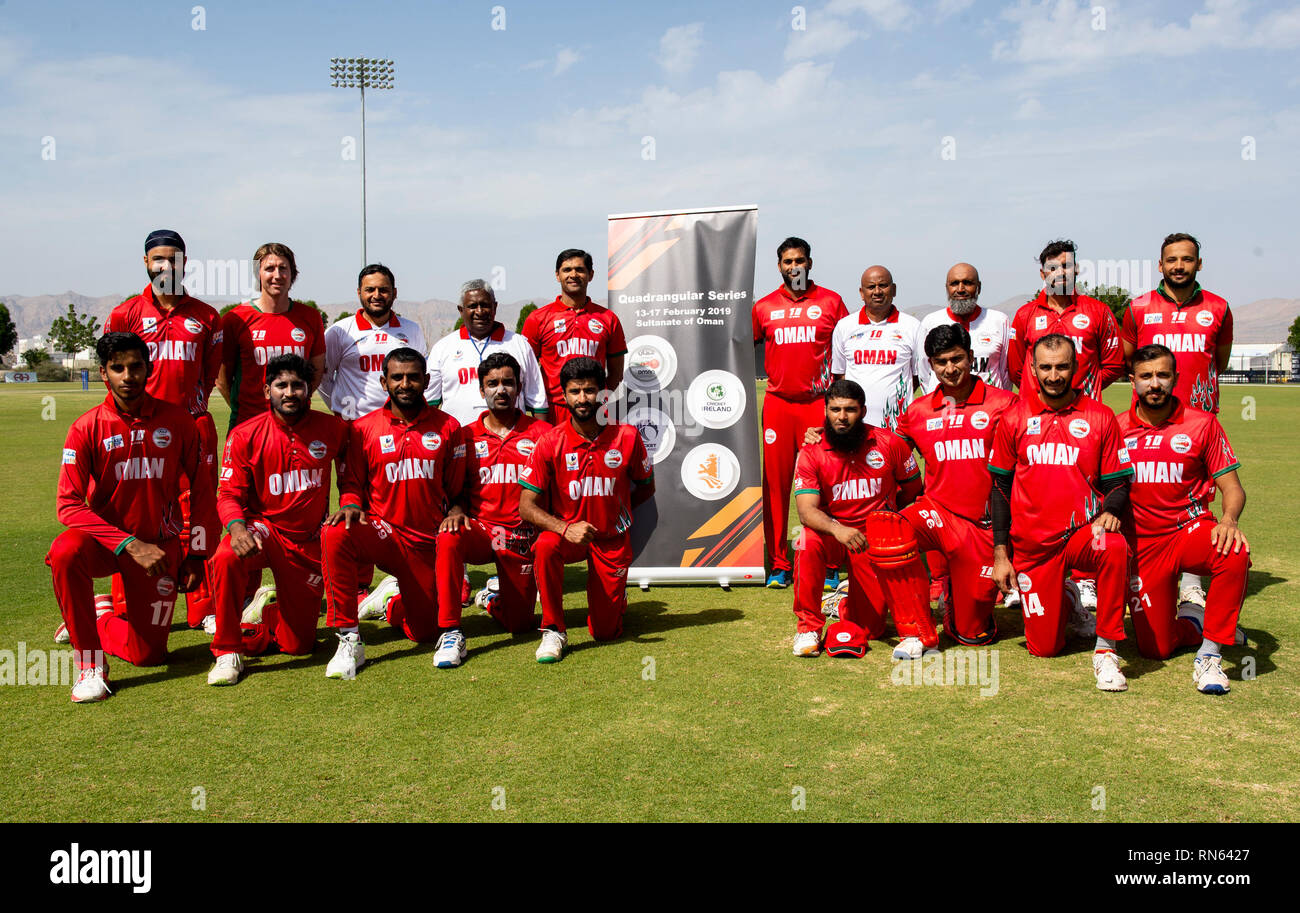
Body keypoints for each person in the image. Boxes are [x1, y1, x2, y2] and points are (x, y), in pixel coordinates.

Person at [48, 332, 215, 703]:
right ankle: (90, 662)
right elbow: (68, 505)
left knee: (149, 656)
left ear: (149, 369)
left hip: (158, 550)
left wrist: (197, 555)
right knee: (64, 552)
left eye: (136, 366)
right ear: (104, 374)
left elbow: (202, 491)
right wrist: (129, 543)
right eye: (117, 368)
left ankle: (98, 617)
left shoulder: (178, 422)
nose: (128, 376)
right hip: (105, 545)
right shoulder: (86, 427)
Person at [988, 335, 1134, 691]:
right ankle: (1068, 597)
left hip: (1082, 534)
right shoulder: (1013, 418)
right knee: (1044, 648)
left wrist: (1111, 510)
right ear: (1033, 370)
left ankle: (1106, 649)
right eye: (1046, 367)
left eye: (1062, 366)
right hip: (1035, 546)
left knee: (1112, 546)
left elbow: (1118, 481)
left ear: (1076, 367)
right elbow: (999, 490)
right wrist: (1001, 553)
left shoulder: (1100, 417)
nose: (1054, 375)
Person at [102, 229, 222, 632]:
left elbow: (210, 372)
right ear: (146, 263)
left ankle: (202, 606)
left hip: (191, 426)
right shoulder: (125, 313)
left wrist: (192, 411)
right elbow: (115, 372)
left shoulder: (206, 316)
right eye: (159, 259)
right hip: (141, 429)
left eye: (174, 258)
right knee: (137, 511)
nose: (166, 266)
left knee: (199, 509)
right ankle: (125, 602)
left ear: (185, 263)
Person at [321, 348, 467, 676]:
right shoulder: (362, 428)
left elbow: (457, 490)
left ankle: (391, 603)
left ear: (426, 381)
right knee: (336, 531)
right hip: (383, 533)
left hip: (425, 542)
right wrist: (350, 507)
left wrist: (456, 510)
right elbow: (351, 484)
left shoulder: (449, 427)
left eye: (413, 377)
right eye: (397, 377)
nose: (405, 384)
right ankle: (348, 637)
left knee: (425, 633)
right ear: (383, 381)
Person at [207, 354, 349, 685]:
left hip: (307, 541)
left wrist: (349, 501)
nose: (289, 393)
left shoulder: (332, 428)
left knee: (298, 646)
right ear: (266, 389)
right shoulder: (245, 434)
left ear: (309, 389)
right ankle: (227, 651)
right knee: (227, 554)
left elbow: (351, 474)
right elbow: (227, 494)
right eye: (281, 385)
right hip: (264, 532)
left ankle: (265, 613)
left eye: (297, 385)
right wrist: (237, 527)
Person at [1117, 344, 1249, 693]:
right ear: (1133, 381)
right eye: (1146, 376)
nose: (1154, 383)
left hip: (1189, 531)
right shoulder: (1115, 429)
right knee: (1154, 648)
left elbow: (1233, 489)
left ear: (1175, 378)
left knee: (1233, 552)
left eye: (1162, 375)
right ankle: (1196, 620)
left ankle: (1210, 655)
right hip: (1142, 545)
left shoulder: (1202, 424)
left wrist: (1229, 520)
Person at [1119, 233, 1235, 614]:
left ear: (1199, 264)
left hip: (1196, 420)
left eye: (1187, 259)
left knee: (1197, 494)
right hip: (1148, 419)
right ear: (1160, 265)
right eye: (1172, 260)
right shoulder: (1138, 308)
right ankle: (1142, 570)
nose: (1179, 266)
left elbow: (1220, 360)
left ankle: (1192, 583)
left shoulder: (1218, 308)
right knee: (1150, 489)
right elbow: (1128, 359)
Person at [518, 357, 654, 663]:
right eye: (575, 391)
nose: (583, 398)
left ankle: (615, 599)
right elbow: (526, 506)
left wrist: (617, 514)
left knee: (605, 633)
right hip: (568, 536)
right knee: (545, 545)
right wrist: (565, 528)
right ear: (563, 395)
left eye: (590, 390)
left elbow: (646, 487)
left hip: (610, 540)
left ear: (603, 393)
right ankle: (553, 629)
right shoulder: (549, 442)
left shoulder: (627, 437)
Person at [896, 324, 1018, 645]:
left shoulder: (1004, 404)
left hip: (984, 527)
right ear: (930, 365)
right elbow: (885, 450)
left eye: (957, 359)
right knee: (889, 533)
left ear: (971, 357)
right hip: (936, 515)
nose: (950, 369)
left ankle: (957, 597)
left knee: (972, 634)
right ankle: (918, 623)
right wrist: (826, 435)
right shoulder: (918, 411)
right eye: (941, 362)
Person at [790, 379, 930, 659]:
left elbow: (914, 488)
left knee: (871, 628)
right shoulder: (811, 450)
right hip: (831, 534)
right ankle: (808, 628)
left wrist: (887, 517)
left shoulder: (889, 443)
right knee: (804, 540)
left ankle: (843, 603)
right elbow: (806, 511)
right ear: (826, 411)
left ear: (863, 410)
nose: (842, 417)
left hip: (871, 540)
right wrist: (838, 529)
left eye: (850, 410)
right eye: (835, 409)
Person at [752, 237, 849, 588]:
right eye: (788, 261)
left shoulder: (831, 302)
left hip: (818, 404)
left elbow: (845, 351)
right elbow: (736, 347)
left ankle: (830, 563)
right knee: (775, 485)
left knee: (826, 482)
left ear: (810, 264)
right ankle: (779, 563)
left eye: (800, 261)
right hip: (778, 405)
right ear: (779, 266)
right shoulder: (763, 307)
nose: (794, 267)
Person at [436, 352, 551, 635]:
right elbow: (455, 488)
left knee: (520, 624)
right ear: (481, 389)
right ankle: (450, 630)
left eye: (508, 383)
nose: (501, 390)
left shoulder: (543, 433)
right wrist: (456, 510)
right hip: (483, 532)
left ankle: (490, 599)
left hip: (523, 537)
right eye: (493, 383)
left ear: (519, 388)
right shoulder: (465, 436)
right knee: (449, 535)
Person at [217, 242, 327, 430]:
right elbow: (222, 380)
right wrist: (248, 409)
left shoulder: (310, 317)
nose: (277, 275)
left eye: (283, 268)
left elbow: (315, 373)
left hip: (297, 424)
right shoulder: (235, 320)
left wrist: (291, 405)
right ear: (258, 273)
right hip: (248, 424)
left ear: (293, 274)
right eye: (269, 268)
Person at [1007, 239, 1125, 399]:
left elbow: (1114, 365)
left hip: (1083, 411)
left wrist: (1083, 390)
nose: (1060, 272)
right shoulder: (1025, 314)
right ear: (1043, 274)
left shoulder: (1099, 311)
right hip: (1037, 412)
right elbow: (1016, 370)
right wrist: (1046, 393)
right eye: (1053, 268)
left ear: (1076, 270)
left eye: (1066, 266)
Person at [521, 250, 626, 418]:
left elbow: (616, 373)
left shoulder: (608, 319)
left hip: (593, 409)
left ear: (590, 275)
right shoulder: (538, 318)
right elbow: (525, 370)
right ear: (557, 275)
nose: (573, 274)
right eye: (567, 270)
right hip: (553, 410)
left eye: (580, 269)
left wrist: (598, 399)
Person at [427, 279, 548, 425]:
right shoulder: (443, 347)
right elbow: (429, 403)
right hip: (460, 440)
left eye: (485, 305)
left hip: (511, 440)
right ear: (461, 310)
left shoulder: (519, 345)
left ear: (495, 307)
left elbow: (537, 401)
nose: (479, 311)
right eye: (472, 306)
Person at [318, 263, 428, 421]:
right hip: (351, 424)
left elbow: (418, 377)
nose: (377, 295)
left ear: (394, 293)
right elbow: (323, 379)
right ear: (359, 293)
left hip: (397, 424)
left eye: (383, 290)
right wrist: (340, 408)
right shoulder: (339, 331)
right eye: (370, 290)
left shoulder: (412, 330)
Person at [829, 265, 925, 432]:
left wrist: (895, 397)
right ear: (861, 292)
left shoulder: (912, 326)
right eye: (871, 286)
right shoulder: (845, 327)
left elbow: (917, 376)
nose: (877, 291)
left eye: (883, 285)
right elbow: (840, 374)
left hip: (898, 424)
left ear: (894, 289)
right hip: (856, 424)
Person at [916, 263, 1011, 392]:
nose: (960, 289)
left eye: (967, 283)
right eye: (954, 283)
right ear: (947, 288)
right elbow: (924, 371)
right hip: (946, 406)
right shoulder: (930, 322)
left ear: (979, 287)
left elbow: (1006, 372)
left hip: (989, 407)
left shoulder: (999, 321)